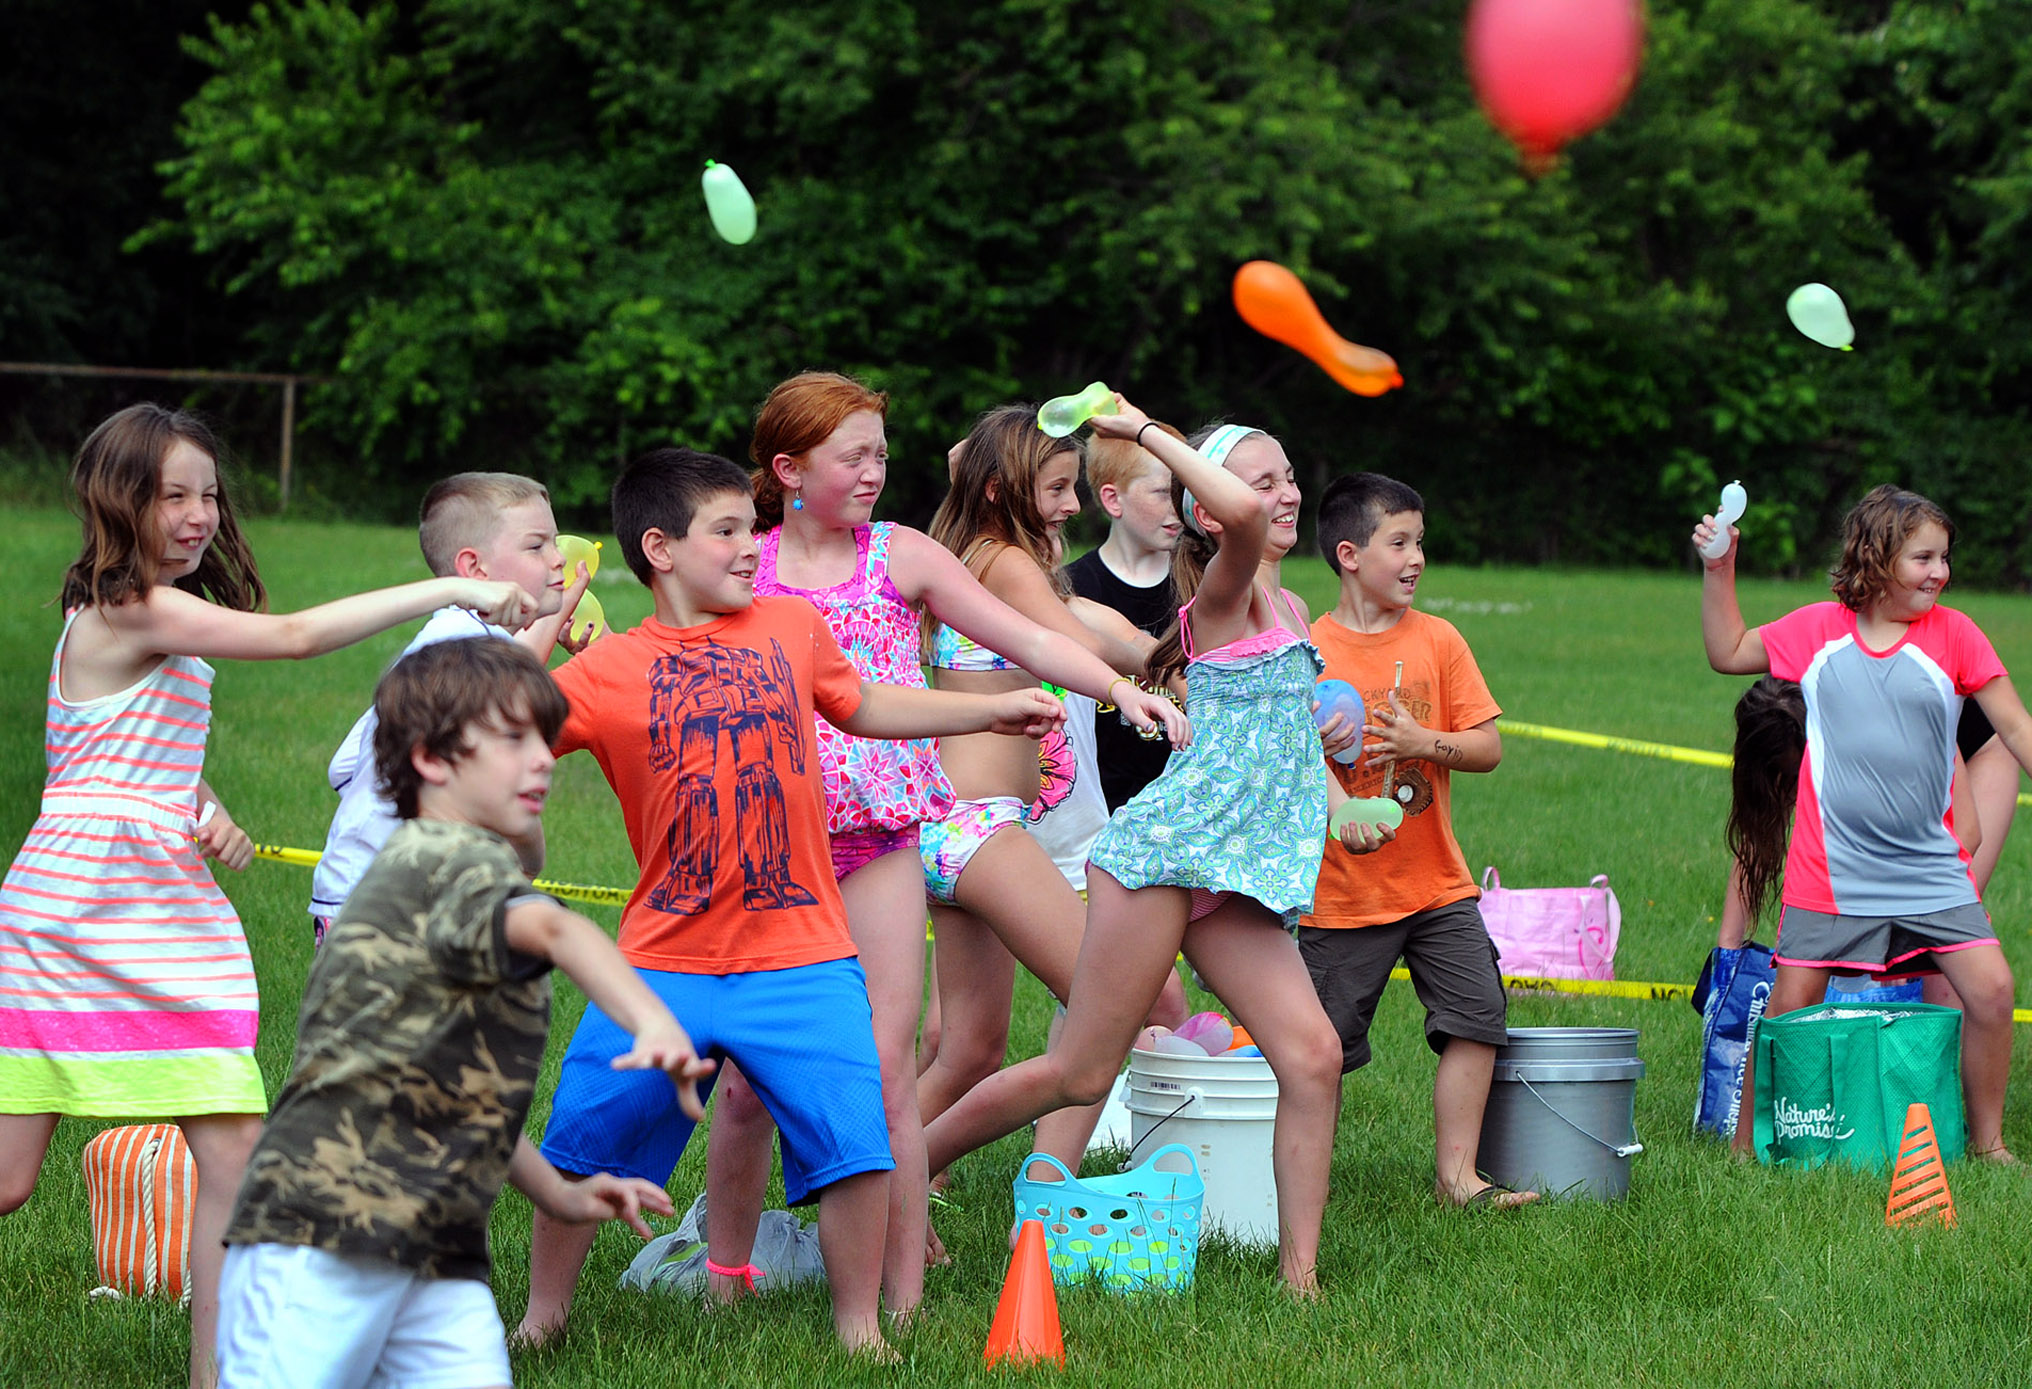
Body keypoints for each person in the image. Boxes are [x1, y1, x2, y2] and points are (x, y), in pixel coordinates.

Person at [0, 403, 537, 1389]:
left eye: (209, 494)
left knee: (237, 1156)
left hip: (164, 913)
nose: (200, 513)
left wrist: (202, 804)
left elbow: (104, 748)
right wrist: (445, 590)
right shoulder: (128, 607)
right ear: (123, 501)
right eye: (174, 495)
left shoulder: (157, 619)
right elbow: (291, 637)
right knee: (9, 1179)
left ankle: (218, 1379)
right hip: (73, 914)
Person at [513, 447, 1067, 1357]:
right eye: (725, 530)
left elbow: (863, 706)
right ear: (658, 548)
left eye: (747, 525)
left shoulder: (789, 627)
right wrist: (543, 626)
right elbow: (501, 720)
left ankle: (860, 1330)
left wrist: (982, 711)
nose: (747, 545)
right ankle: (543, 1316)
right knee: (581, 1138)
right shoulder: (608, 669)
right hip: (661, 961)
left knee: (855, 1146)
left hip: (803, 955)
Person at [691, 373, 1185, 1319]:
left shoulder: (902, 554)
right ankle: (726, 1274)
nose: (879, 470)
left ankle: (897, 1300)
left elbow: (1029, 640)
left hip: (885, 837)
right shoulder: (742, 565)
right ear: (789, 471)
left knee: (888, 1068)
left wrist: (1122, 692)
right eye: (856, 455)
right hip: (771, 845)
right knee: (751, 1082)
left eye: (883, 451)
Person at [922, 405, 1346, 1294]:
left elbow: (1121, 638)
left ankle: (1299, 1281)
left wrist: (1343, 791)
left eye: (1290, 475)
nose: (1286, 494)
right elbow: (1229, 519)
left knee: (1312, 1054)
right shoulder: (1223, 592)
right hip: (1163, 854)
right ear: (1210, 506)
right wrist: (1145, 430)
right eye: (1265, 480)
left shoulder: (1291, 605)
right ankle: (899, 1170)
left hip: (1234, 868)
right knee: (1080, 1067)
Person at [215, 638, 712, 1389]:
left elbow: (455, 1093)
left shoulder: (445, 874)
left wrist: (560, 1193)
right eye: (512, 740)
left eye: (544, 739)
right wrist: (654, 1018)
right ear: (432, 760)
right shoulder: (440, 858)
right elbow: (555, 927)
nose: (543, 758)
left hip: (434, 1251)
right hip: (322, 1232)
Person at [1698, 483, 2032, 1163]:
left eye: (1943, 557)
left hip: (1930, 869)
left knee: (1993, 991)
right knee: (1789, 1008)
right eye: (1923, 557)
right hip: (1834, 873)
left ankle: (1987, 1141)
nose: (1940, 572)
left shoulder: (1957, 634)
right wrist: (1719, 567)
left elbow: (2016, 725)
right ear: (1877, 558)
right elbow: (1728, 648)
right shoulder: (1817, 630)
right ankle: (1744, 1147)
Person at [914, 405, 1192, 1178]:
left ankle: (879, 1178)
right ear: (1006, 490)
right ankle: (900, 1173)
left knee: (969, 1046)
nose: (1072, 505)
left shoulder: (969, 545)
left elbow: (963, 449)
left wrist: (1153, 655)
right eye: (1060, 488)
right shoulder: (1001, 561)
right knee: (1113, 999)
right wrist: (1139, 681)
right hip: (979, 828)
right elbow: (1061, 635)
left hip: (951, 826)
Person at [1296, 472, 1536, 1210]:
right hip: (1339, 895)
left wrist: (1421, 739)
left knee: (1477, 1013)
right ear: (1348, 553)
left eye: (1419, 543)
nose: (1415, 558)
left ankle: (1458, 1179)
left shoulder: (1438, 639)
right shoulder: (1308, 650)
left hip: (1436, 882)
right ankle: (1302, 1181)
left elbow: (1488, 746)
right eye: (1397, 541)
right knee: (1317, 1052)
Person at [309, 472, 587, 944]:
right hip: (395, 905)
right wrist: (530, 859)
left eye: (554, 543)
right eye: (536, 546)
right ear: (474, 569)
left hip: (355, 886)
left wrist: (556, 608)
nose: (558, 558)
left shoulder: (445, 644)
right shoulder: (463, 658)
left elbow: (345, 767)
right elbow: (507, 788)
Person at [1066, 427, 1185, 809]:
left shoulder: (1207, 585)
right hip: (1102, 813)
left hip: (1191, 809)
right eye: (1164, 492)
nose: (1178, 506)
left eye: (1185, 491)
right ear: (1112, 499)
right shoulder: (1068, 590)